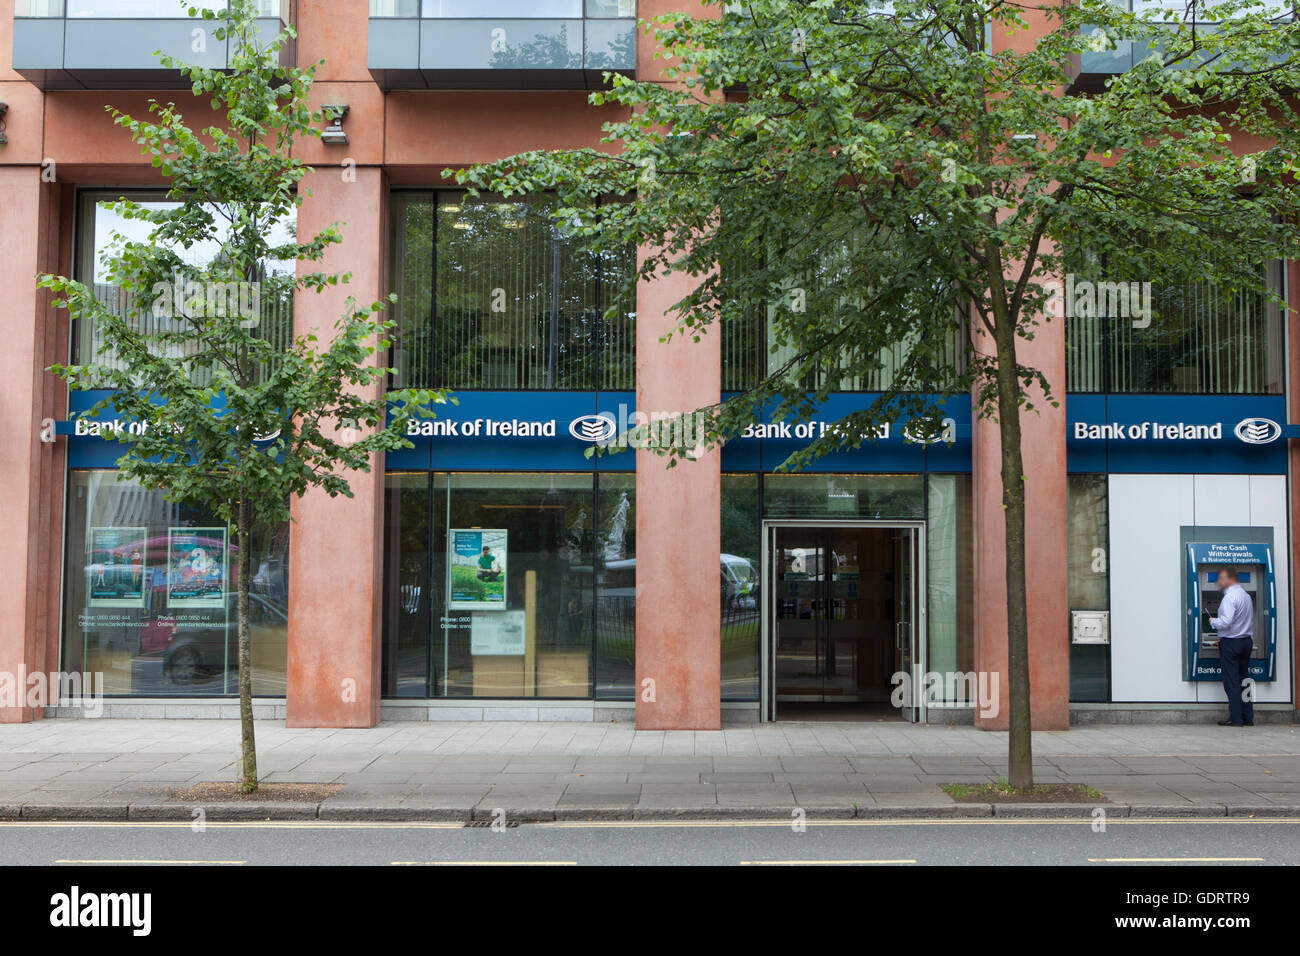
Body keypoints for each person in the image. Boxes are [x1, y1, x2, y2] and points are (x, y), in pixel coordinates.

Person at [1210, 566, 1255, 727]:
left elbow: (1226, 622)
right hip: (1246, 642)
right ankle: (1247, 717)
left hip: (1232, 644)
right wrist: (1222, 639)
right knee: (1244, 679)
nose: (1219, 582)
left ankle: (1236, 718)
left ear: (1230, 579)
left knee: (1232, 682)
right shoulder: (1246, 596)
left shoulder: (1229, 597)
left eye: (1221, 579)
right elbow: (1241, 623)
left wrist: (1213, 622)